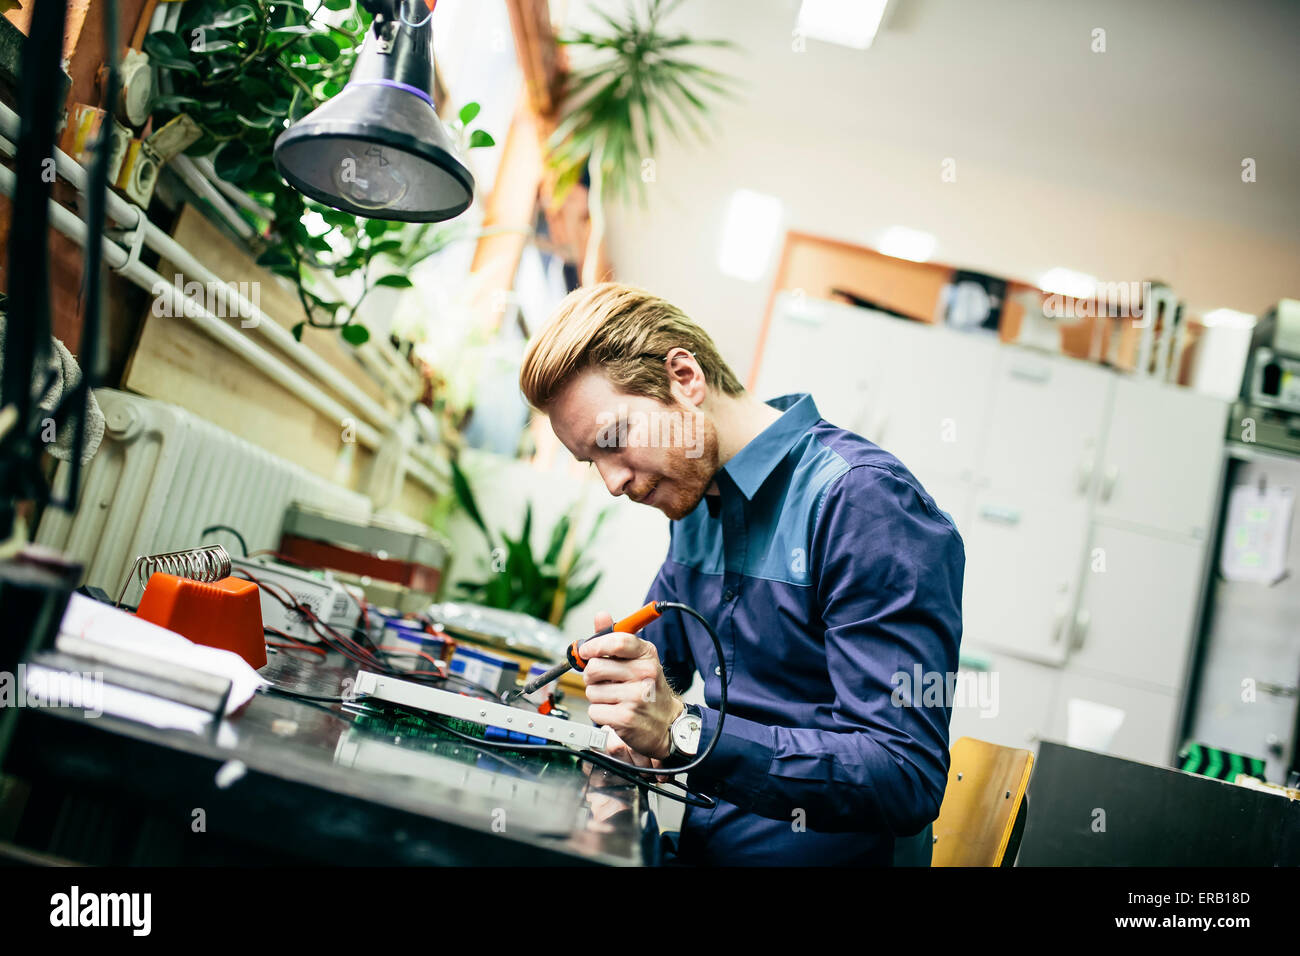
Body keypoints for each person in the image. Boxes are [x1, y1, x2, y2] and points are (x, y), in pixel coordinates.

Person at [518, 283, 964, 865]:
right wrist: (624, 706)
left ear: (684, 377)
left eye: (614, 440)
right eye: (591, 462)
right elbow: (662, 666)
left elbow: (904, 775)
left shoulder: (864, 504)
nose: (612, 482)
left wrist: (680, 731)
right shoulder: (695, 503)